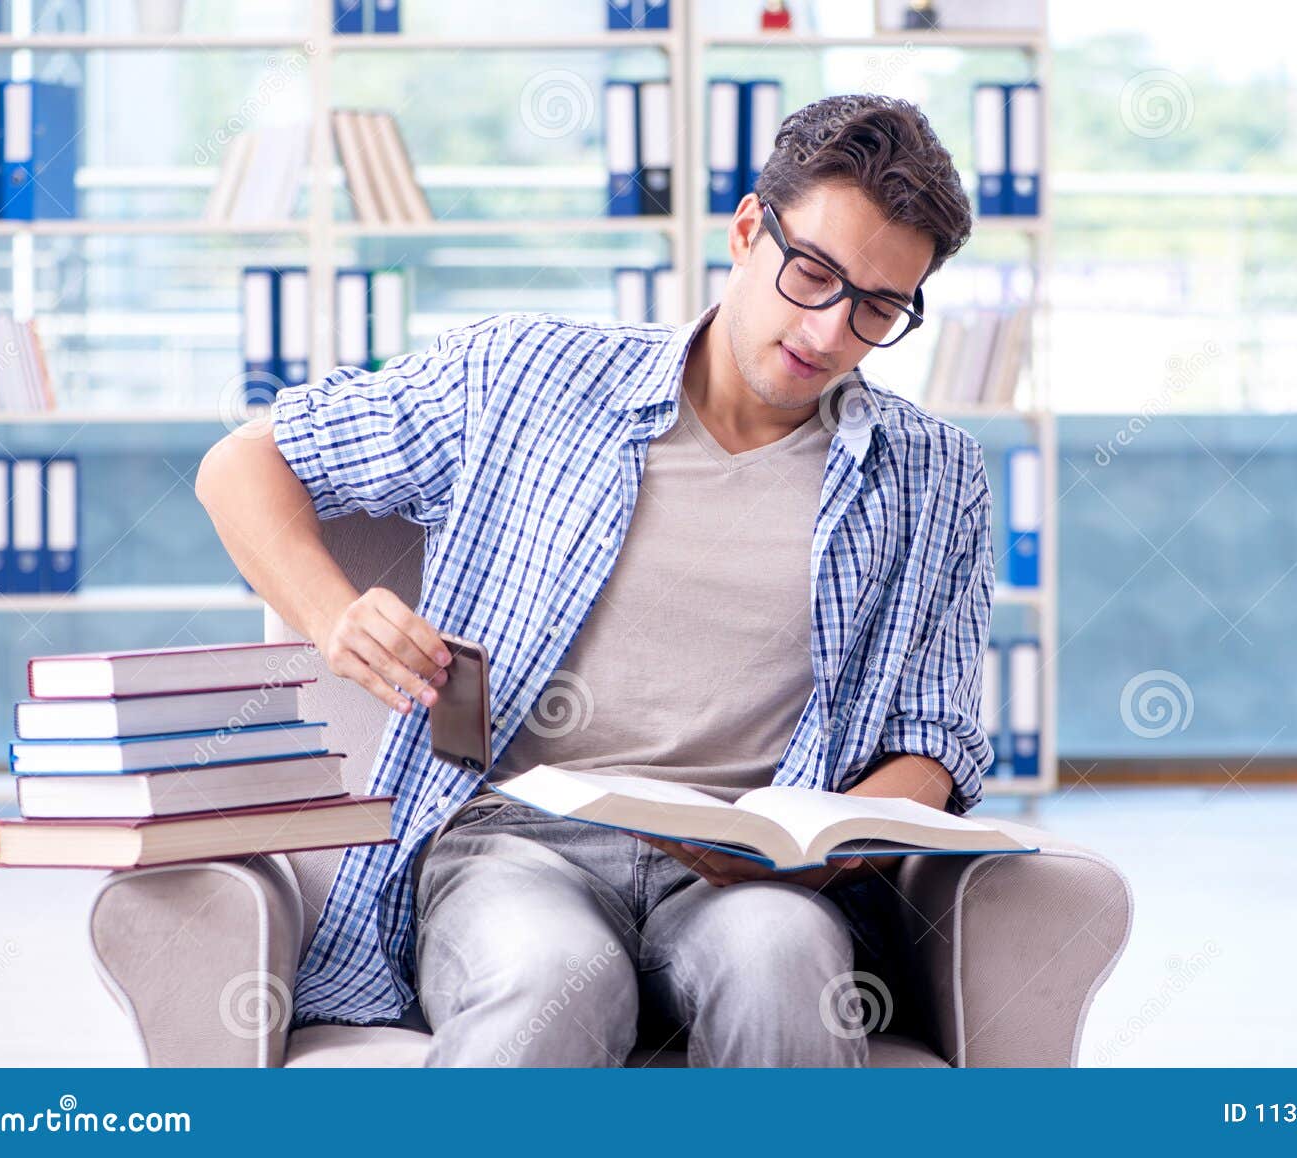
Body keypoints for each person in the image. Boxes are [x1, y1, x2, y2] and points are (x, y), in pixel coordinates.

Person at [195, 94, 993, 1066]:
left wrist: (816, 853)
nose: (828, 332)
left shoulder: (932, 476)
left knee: (781, 964)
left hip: (754, 881)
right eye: (812, 274)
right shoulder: (525, 375)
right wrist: (333, 614)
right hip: (515, 845)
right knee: (548, 980)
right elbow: (244, 462)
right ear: (748, 231)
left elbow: (933, 744)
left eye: (876, 307)